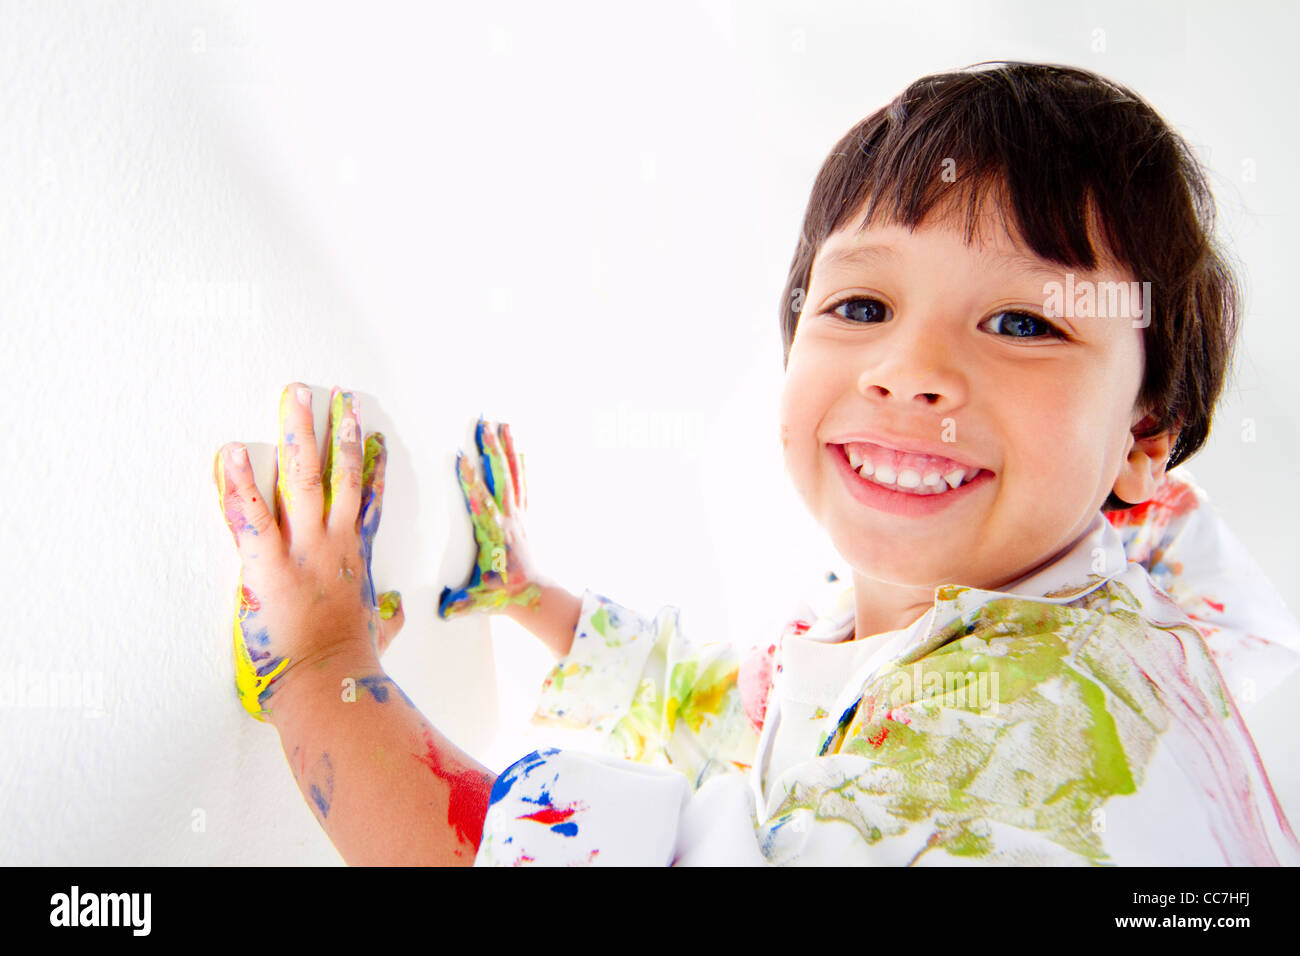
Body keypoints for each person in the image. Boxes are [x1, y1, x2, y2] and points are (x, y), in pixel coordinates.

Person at [213, 61, 1300, 865]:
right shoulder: (979, 610)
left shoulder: (994, 759)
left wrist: (321, 670)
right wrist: (534, 599)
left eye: (1021, 323)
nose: (909, 369)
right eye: (862, 305)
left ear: (1144, 439)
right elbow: (748, 695)